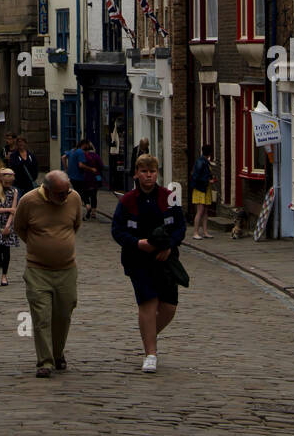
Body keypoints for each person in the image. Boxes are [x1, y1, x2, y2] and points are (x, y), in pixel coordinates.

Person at [111, 154, 186, 372]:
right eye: (144, 171)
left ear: (157, 173)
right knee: (148, 302)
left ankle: (148, 333)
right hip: (138, 260)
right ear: (136, 173)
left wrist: (169, 245)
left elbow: (180, 227)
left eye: (152, 171)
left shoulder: (169, 197)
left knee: (169, 307)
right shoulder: (127, 201)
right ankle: (150, 354)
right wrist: (137, 243)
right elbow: (117, 230)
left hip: (166, 260)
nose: (148, 175)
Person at [13, 169, 82, 377]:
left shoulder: (74, 198)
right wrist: (39, 246)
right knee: (41, 316)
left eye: (67, 192)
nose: (65, 197)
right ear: (47, 189)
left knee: (63, 314)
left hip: (67, 269)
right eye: (60, 194)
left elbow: (75, 225)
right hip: (38, 270)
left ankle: (57, 353)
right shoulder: (29, 201)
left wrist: (60, 244)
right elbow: (20, 227)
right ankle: (45, 362)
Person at [190, 143, 215, 240]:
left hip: (205, 189)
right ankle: (195, 232)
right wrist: (208, 181)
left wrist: (210, 178)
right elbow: (196, 177)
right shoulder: (201, 162)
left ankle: (205, 232)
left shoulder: (205, 161)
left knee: (205, 211)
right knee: (200, 211)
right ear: (210, 153)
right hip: (200, 189)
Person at [80, 140, 103, 220]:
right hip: (94, 178)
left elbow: (80, 166)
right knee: (94, 195)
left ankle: (87, 205)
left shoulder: (83, 156)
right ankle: (93, 212)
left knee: (85, 194)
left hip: (85, 178)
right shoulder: (96, 156)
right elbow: (101, 166)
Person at [62, 138, 88, 204]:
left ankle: (78, 204)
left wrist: (66, 169)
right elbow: (81, 165)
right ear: (84, 145)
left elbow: (63, 157)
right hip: (79, 175)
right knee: (82, 192)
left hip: (71, 175)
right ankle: (85, 205)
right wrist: (90, 169)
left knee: (77, 191)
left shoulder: (72, 150)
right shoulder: (80, 152)